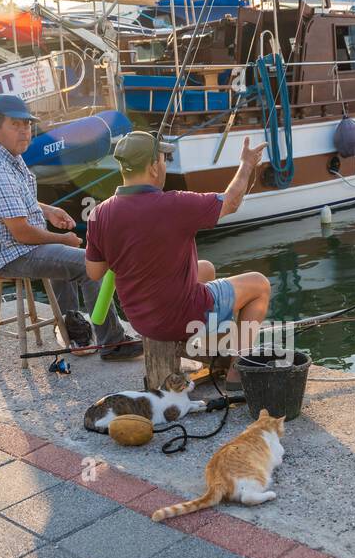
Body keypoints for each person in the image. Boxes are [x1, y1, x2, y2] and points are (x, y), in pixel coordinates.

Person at [0, 94, 142, 361]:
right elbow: (21, 233)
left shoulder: (4, 152)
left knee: (59, 254)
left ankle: (70, 323)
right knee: (89, 264)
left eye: (27, 124)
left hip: (11, 245)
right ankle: (111, 343)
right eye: (15, 125)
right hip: (6, 253)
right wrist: (63, 239)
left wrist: (48, 210)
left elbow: (14, 199)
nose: (24, 131)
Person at [84, 131, 271, 387]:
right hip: (178, 317)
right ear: (152, 168)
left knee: (205, 268)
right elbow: (231, 202)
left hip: (142, 319)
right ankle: (238, 369)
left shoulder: (98, 213)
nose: (164, 166)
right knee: (259, 284)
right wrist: (247, 165)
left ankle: (211, 344)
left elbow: (95, 273)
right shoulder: (176, 204)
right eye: (163, 160)